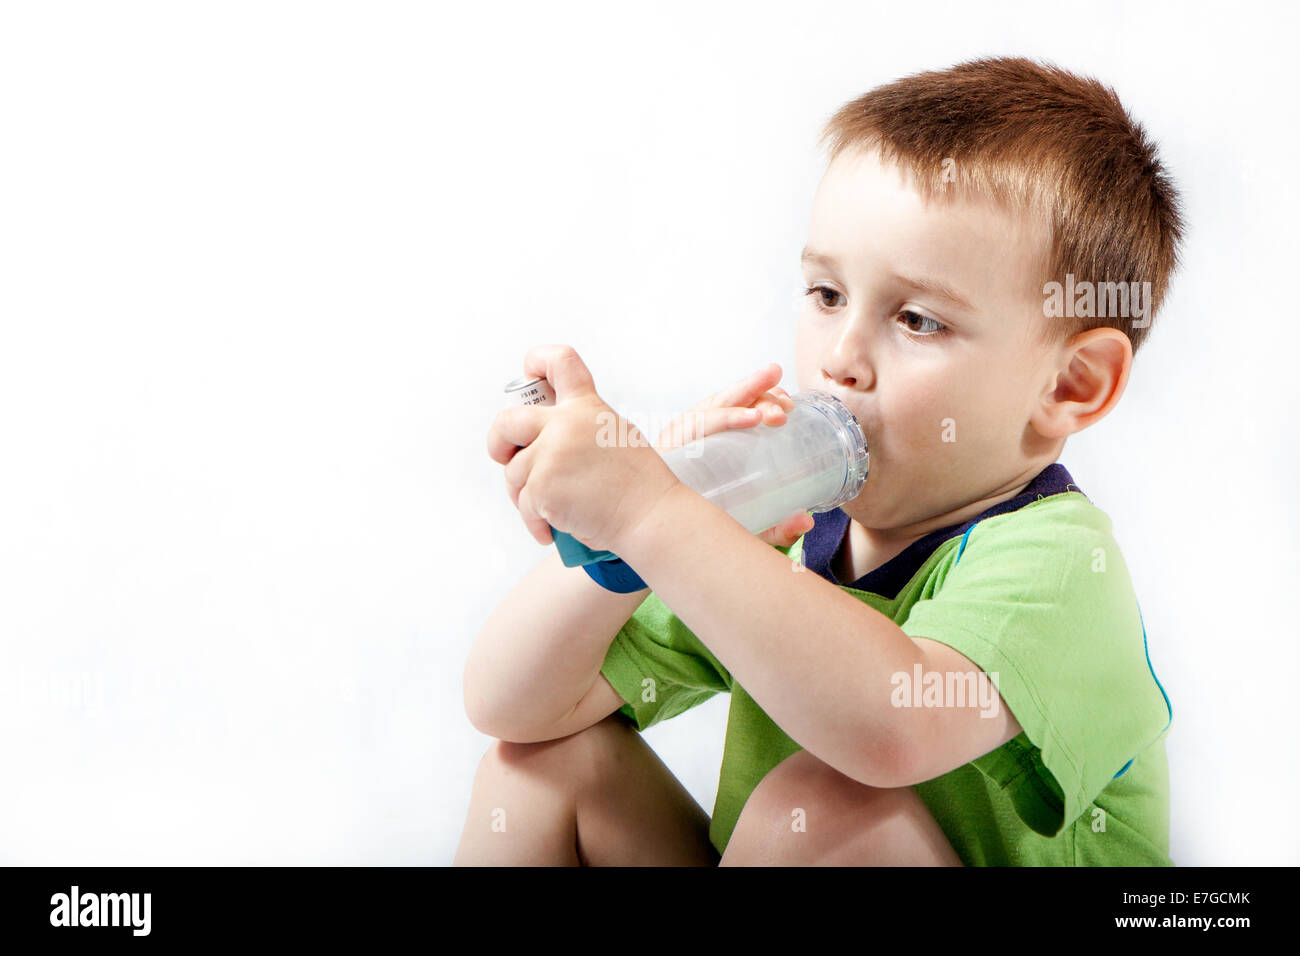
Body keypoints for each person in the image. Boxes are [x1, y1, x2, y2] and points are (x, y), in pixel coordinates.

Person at [457, 55, 1180, 866]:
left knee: (827, 806)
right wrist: (631, 531)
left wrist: (654, 517)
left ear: (1070, 384)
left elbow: (888, 727)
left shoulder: (1057, 566)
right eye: (827, 295)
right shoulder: (787, 531)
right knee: (544, 768)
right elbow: (509, 703)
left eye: (916, 319)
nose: (840, 358)